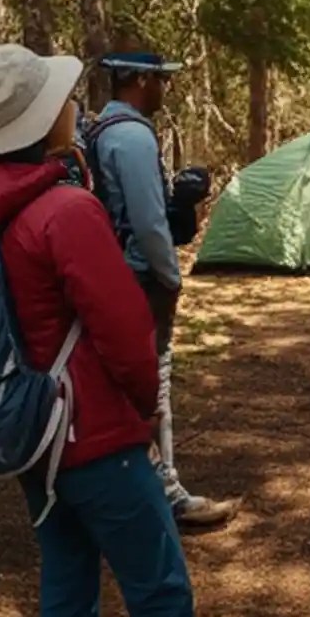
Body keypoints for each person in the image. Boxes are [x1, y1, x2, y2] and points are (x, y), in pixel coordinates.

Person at [0, 44, 200, 617]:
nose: (72, 105)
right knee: (160, 590)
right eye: (61, 98)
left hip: (33, 432)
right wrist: (145, 407)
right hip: (96, 436)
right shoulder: (63, 209)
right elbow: (123, 328)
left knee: (69, 584)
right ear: (43, 121)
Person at [90, 51, 236, 526]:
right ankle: (167, 494)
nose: (163, 89)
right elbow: (147, 221)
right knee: (153, 383)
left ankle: (143, 486)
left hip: (113, 273)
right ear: (137, 81)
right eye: (158, 81)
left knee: (127, 385)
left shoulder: (99, 131)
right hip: (139, 277)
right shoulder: (131, 136)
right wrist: (170, 275)